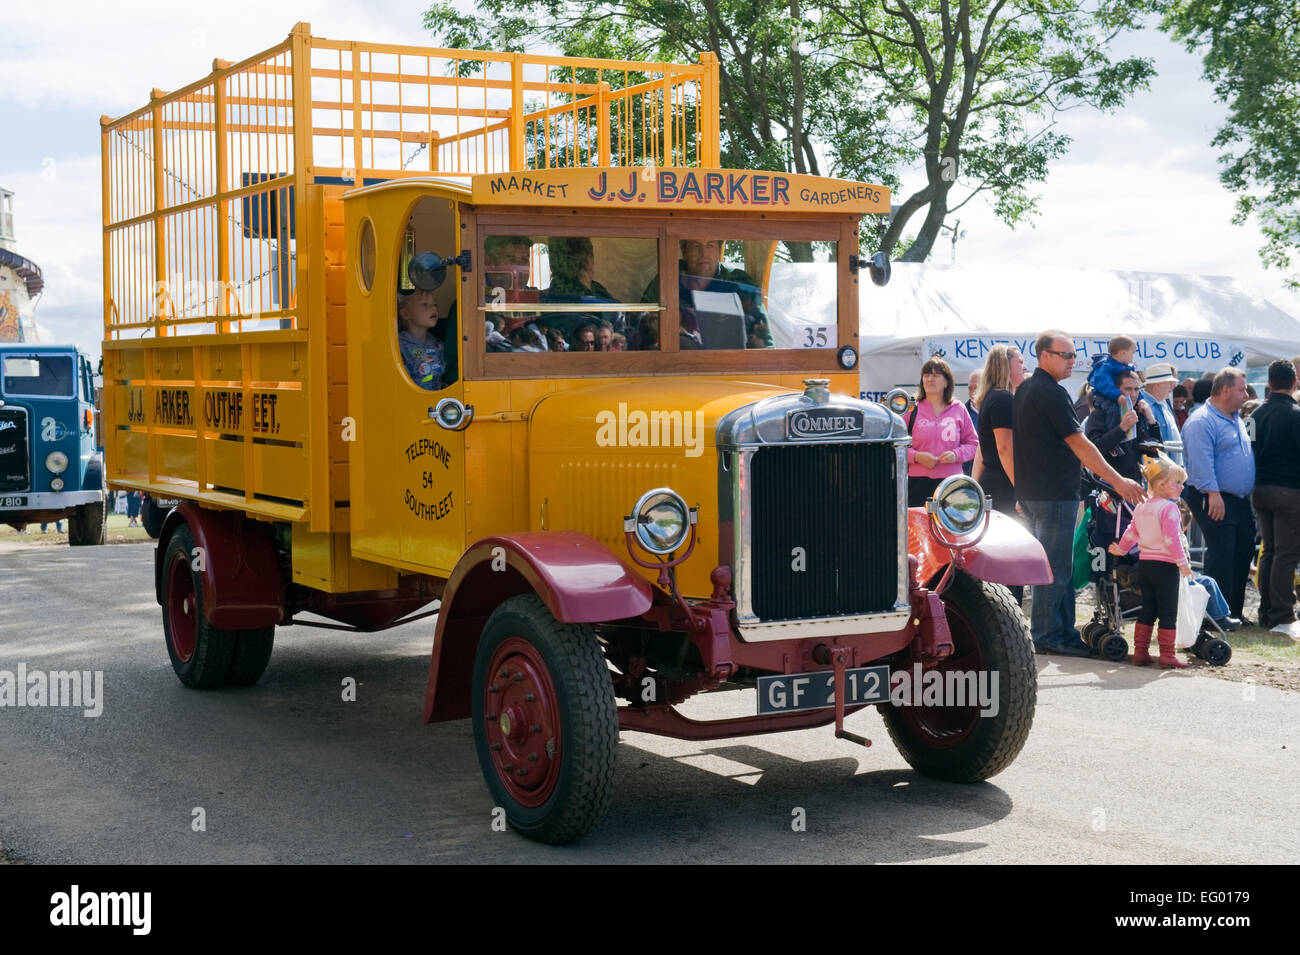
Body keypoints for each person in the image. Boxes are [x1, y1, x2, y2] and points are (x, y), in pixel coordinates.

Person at [1015, 331, 1145, 657]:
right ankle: (1049, 635)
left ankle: (1060, 633)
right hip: (1053, 493)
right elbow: (1080, 443)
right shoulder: (1050, 393)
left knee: (1054, 568)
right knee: (1056, 569)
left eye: (1074, 355)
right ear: (1044, 355)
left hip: (1037, 492)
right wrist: (1118, 481)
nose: (1074, 361)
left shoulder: (1027, 389)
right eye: (1066, 355)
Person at [1181, 366, 1255, 620]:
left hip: (1238, 499)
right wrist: (1213, 493)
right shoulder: (1202, 421)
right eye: (1241, 389)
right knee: (1222, 554)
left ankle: (1234, 611)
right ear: (1225, 390)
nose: (1245, 395)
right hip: (1213, 496)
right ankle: (1215, 615)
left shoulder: (1234, 417)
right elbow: (1201, 461)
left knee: (1242, 551)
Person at [1108, 454, 1193, 668]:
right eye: (1177, 483)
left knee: (1148, 607)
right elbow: (1172, 539)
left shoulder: (1142, 507)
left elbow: (1131, 532)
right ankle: (1167, 654)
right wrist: (1182, 563)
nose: (1181, 487)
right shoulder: (1169, 509)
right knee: (1167, 610)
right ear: (1163, 485)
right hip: (1166, 566)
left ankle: (1140, 652)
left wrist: (1120, 549)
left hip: (1145, 565)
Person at [641, 239, 772, 349]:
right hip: (678, 367)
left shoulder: (739, 283)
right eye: (696, 246)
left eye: (710, 245)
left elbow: (764, 339)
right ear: (684, 250)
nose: (703, 253)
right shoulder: (667, 280)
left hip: (731, 367)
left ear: (719, 250)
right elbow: (642, 326)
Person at [1249, 359, 1300, 638]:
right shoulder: (1295, 414)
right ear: (1295, 382)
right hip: (1289, 490)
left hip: (1260, 488)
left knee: (1269, 551)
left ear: (1269, 382)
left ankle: (1266, 611)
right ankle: (1282, 614)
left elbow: (1250, 450)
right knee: (1285, 553)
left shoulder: (1255, 415)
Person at [971, 344, 1026, 601]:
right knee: (1009, 557)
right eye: (1020, 362)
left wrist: (973, 484)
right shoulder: (1003, 399)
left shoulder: (995, 397)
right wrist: (1022, 490)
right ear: (1006, 365)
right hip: (1004, 486)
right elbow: (1004, 448)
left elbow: (983, 450)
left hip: (993, 483)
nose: (1024, 367)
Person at [905, 357, 977, 507]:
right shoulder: (911, 408)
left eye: (936, 376)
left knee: (951, 528)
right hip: (916, 483)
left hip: (952, 483)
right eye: (926, 375)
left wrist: (956, 455)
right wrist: (917, 457)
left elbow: (973, 444)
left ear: (946, 382)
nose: (930, 379)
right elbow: (895, 446)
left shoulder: (958, 408)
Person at [1085, 370, 1160, 483]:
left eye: (1136, 389)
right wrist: (1122, 428)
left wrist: (1152, 421)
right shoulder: (1100, 414)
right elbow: (1093, 450)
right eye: (1128, 389)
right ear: (1116, 391)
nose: (1133, 394)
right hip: (1107, 487)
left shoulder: (1138, 414)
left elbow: (1154, 452)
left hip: (1134, 487)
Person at [397, 289, 447, 390]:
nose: (433, 308)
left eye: (435, 305)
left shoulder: (438, 345)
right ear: (406, 314)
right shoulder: (399, 347)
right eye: (425, 304)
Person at [1140, 362, 1181, 460]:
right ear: (1158, 385)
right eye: (1169, 383)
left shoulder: (1163, 404)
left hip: (1171, 469)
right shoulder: (1143, 407)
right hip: (1158, 471)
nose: (1174, 386)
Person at [1086, 335, 1137, 412]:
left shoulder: (1129, 368)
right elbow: (1104, 384)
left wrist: (1140, 399)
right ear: (1123, 353)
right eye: (1132, 353)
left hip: (1123, 398)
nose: (1133, 356)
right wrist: (1118, 395)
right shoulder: (1105, 366)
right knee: (1112, 409)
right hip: (1105, 398)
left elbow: (1135, 386)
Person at [963, 370, 981, 474]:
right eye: (970, 388)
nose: (972, 392)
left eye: (976, 387)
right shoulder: (962, 413)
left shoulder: (994, 411)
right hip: (968, 473)